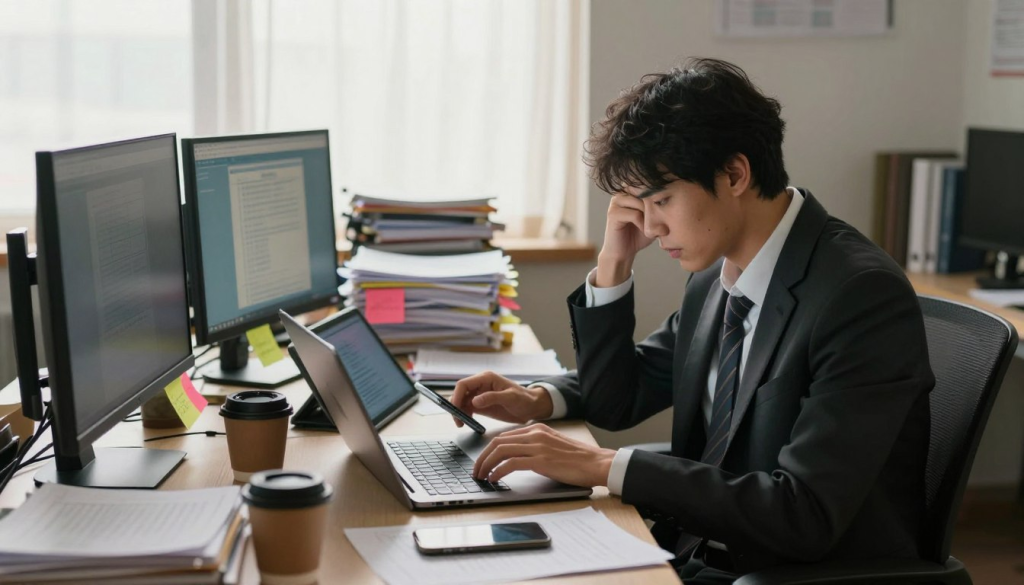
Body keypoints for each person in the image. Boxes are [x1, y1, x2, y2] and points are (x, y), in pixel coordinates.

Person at [450, 57, 934, 583]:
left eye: (662, 200)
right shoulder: (718, 273)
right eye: (640, 203)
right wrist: (609, 275)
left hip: (780, 570)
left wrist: (604, 466)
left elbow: (804, 514)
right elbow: (620, 398)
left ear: (734, 174)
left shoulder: (858, 296)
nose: (652, 226)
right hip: (695, 549)